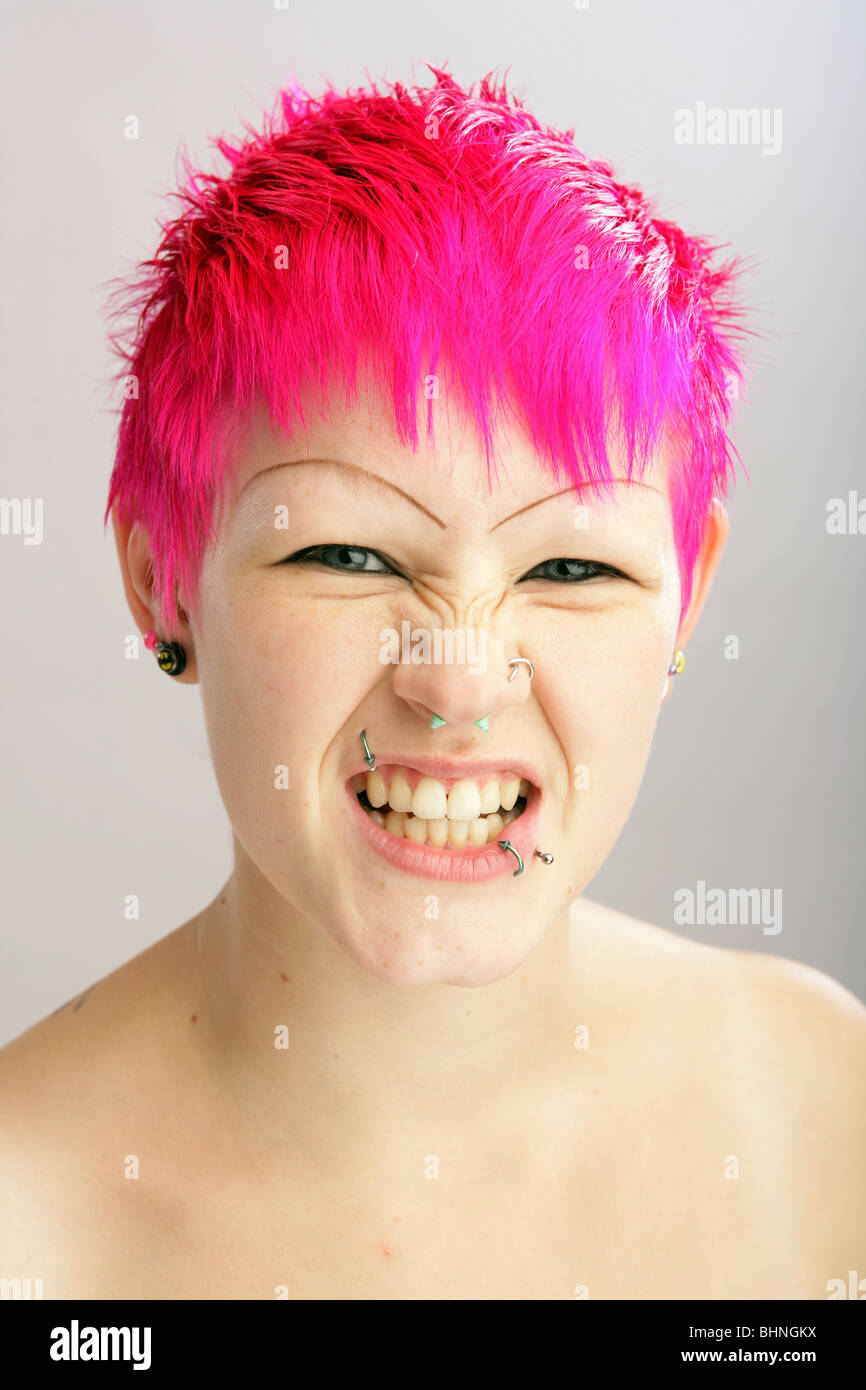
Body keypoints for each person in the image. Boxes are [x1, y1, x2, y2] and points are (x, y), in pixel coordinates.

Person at [1, 65, 863, 1301]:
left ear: (691, 593)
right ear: (162, 579)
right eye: (345, 553)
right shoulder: (23, 1231)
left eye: (570, 566)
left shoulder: (827, 1116)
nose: (457, 683)